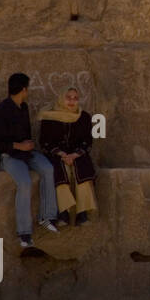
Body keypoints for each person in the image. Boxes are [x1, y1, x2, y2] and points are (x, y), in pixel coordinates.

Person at [0, 73, 59, 248]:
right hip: (10, 155)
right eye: (28, 88)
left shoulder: (23, 107)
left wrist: (28, 144)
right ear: (24, 89)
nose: (29, 91)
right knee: (25, 182)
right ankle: (25, 233)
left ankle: (46, 216)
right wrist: (19, 146)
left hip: (27, 153)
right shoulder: (0, 110)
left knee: (48, 168)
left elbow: (25, 134)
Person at [38, 87, 98, 227]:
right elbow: (44, 142)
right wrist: (62, 154)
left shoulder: (84, 116)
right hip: (57, 154)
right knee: (59, 173)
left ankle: (82, 213)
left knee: (82, 172)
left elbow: (88, 141)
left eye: (75, 98)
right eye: (68, 97)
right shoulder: (49, 116)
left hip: (77, 154)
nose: (72, 101)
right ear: (61, 98)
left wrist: (75, 155)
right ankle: (63, 212)